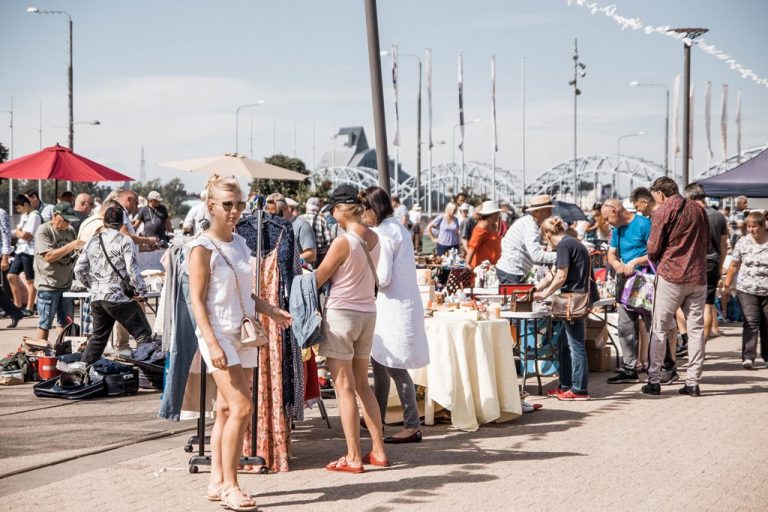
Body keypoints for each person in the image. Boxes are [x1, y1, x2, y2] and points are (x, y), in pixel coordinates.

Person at [186, 175, 291, 509]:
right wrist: (213, 343)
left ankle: (217, 481)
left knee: (225, 409)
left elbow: (243, 292)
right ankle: (231, 485)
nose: (234, 211)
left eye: (239, 205)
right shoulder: (201, 247)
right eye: (227, 205)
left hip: (244, 331)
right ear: (211, 206)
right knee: (243, 407)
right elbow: (197, 301)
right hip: (219, 334)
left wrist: (271, 310)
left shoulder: (240, 244)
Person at [314, 184, 388, 473]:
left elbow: (320, 277)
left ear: (338, 211)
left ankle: (354, 456)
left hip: (342, 316)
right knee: (362, 386)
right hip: (367, 314)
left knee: (343, 388)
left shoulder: (343, 242)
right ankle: (379, 451)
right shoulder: (375, 238)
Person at [362, 186, 429, 444]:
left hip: (393, 305)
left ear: (373, 208)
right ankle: (374, 416)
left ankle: (411, 425)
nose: (362, 216)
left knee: (393, 365)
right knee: (380, 362)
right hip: (398, 304)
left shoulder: (384, 233)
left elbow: (383, 277)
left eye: (363, 210)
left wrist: (364, 262)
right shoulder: (397, 228)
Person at [645, 177, 709, 397]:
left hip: (671, 276)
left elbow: (653, 248)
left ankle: (654, 380)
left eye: (655, 197)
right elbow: (707, 242)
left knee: (660, 329)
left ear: (660, 194)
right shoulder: (699, 210)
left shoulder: (663, 211)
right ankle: (692, 382)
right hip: (698, 277)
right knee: (696, 330)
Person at [75, 206, 153, 363]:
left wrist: (92, 285)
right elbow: (132, 269)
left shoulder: (92, 240)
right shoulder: (125, 240)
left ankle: (82, 372)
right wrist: (141, 291)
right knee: (143, 333)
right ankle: (149, 372)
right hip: (118, 297)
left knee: (98, 338)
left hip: (97, 298)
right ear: (122, 222)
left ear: (104, 221)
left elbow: (78, 269)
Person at [599, 199, 657, 384]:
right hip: (625, 281)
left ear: (616, 211)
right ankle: (629, 367)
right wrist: (616, 264)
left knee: (651, 325)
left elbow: (655, 253)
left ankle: (656, 367)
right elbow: (611, 253)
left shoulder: (644, 224)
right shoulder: (617, 230)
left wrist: (634, 262)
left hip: (645, 280)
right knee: (625, 326)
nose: (608, 223)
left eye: (608, 218)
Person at [534, 217, 591, 401]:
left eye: (544, 239)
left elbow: (560, 276)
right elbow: (552, 273)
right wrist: (535, 289)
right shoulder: (570, 243)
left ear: (548, 234)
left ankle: (579, 389)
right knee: (564, 344)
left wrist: (544, 294)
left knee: (575, 345)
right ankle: (566, 385)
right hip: (575, 298)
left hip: (572, 300)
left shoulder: (564, 246)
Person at [33, 203, 85, 341]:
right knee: (45, 324)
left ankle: (63, 351)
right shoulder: (43, 230)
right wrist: (71, 246)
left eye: (70, 220)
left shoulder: (70, 231)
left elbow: (74, 253)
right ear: (55, 216)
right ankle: (41, 354)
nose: (68, 223)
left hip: (66, 285)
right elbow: (49, 257)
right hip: (48, 285)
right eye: (65, 219)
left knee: (66, 323)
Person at [724, 211, 768, 369]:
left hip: (767, 289)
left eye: (754, 227)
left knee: (767, 323)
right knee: (751, 322)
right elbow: (734, 264)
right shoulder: (743, 242)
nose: (751, 230)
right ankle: (748, 356)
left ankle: (766, 355)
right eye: (749, 227)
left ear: (763, 226)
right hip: (747, 288)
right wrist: (727, 285)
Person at [684, 184, 728, 342]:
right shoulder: (718, 216)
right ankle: (702, 345)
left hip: (693, 264)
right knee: (708, 304)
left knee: (686, 303)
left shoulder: (690, 215)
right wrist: (721, 264)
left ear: (690, 197)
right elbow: (724, 245)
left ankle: (689, 340)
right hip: (713, 262)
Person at [496, 194, 557, 284]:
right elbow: (536, 256)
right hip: (512, 272)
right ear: (537, 212)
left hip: (510, 270)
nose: (551, 213)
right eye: (548, 210)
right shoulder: (530, 227)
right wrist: (561, 256)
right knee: (516, 297)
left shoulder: (528, 222)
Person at [8, 194, 42, 316]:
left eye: (19, 208)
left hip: (30, 251)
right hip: (20, 249)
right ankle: (17, 305)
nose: (18, 210)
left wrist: (19, 233)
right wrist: (19, 233)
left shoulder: (35, 216)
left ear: (26, 205)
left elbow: (26, 235)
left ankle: (30, 307)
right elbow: (19, 232)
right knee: (11, 276)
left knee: (30, 280)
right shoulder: (24, 216)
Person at [0, 206, 24, 328]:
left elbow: (6, 236)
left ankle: (15, 312)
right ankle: (15, 312)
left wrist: (5, 257)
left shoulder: (1, 213)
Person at [465, 201, 502, 268]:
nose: (499, 215)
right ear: (493, 214)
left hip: (492, 265)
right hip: (482, 266)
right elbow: (473, 246)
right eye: (498, 213)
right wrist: (468, 264)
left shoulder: (494, 225)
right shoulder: (482, 226)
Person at [283, 198, 317, 265]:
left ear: (289, 209)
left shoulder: (302, 225)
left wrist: (289, 262)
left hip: (298, 272)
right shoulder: (276, 224)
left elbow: (312, 255)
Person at [302, 197, 333, 266]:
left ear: (306, 207)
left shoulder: (300, 219)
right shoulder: (322, 219)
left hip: (303, 256)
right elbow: (329, 241)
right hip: (320, 257)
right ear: (318, 208)